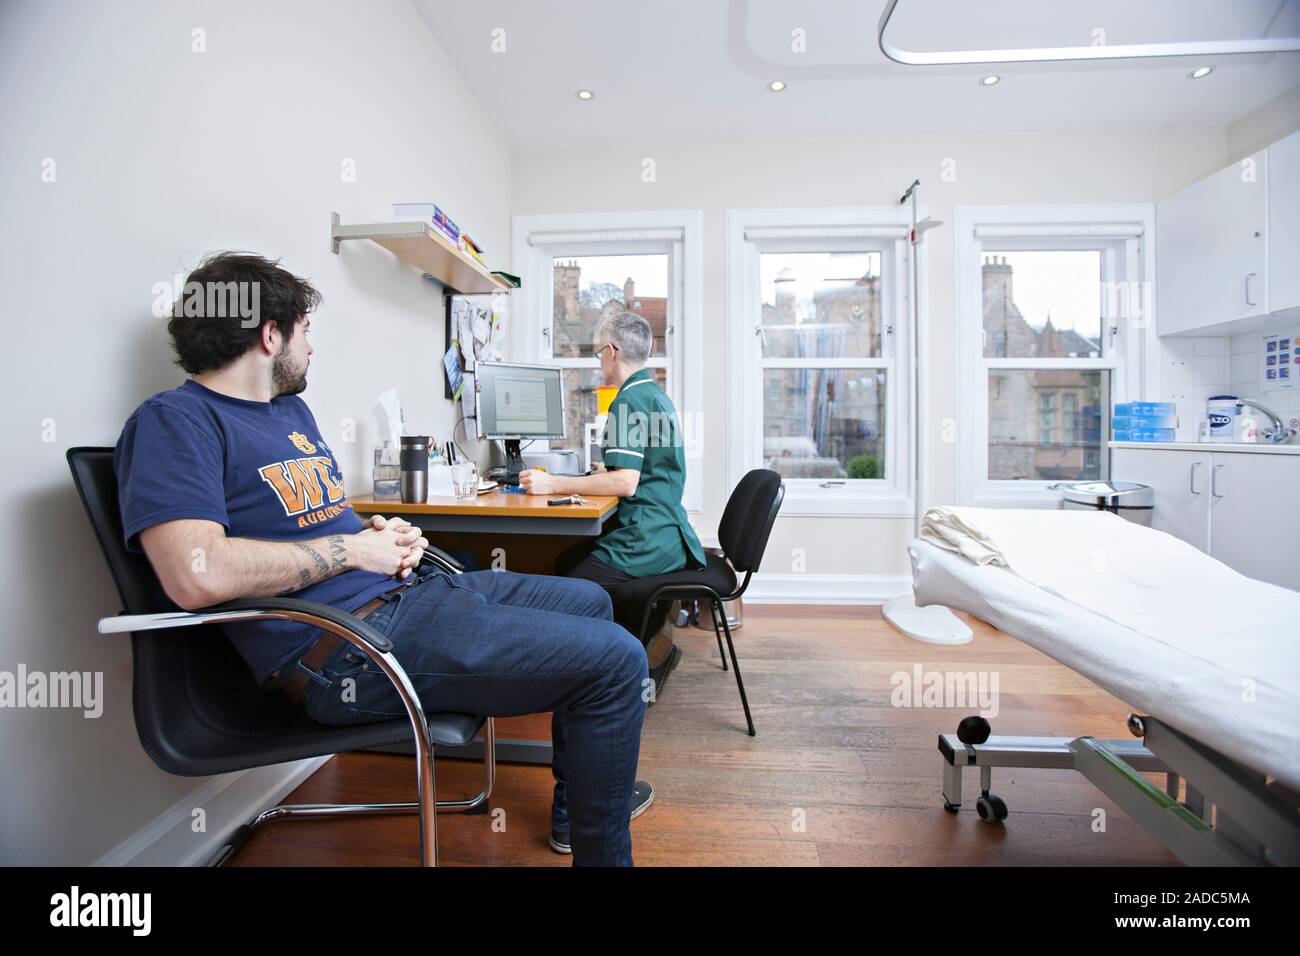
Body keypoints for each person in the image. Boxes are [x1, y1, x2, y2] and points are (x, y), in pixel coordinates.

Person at [114, 252, 652, 865]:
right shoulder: (174, 422)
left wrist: (379, 535)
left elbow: (306, 523)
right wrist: (352, 550)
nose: (311, 349)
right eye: (305, 332)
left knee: (592, 599)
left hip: (406, 597)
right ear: (271, 336)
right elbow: (194, 574)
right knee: (617, 661)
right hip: (344, 650)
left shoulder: (289, 413)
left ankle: (575, 812)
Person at [519, 312, 705, 701]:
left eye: (598, 351)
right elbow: (640, 468)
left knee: (562, 594)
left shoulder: (629, 400)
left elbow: (625, 482)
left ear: (612, 351)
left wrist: (553, 482)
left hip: (645, 540)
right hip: (667, 532)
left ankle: (609, 676)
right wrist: (610, 469)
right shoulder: (654, 394)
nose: (597, 360)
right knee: (566, 559)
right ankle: (640, 651)